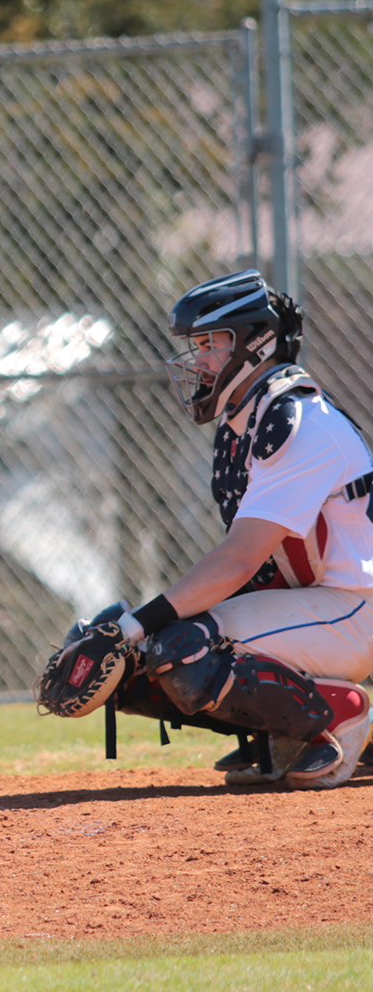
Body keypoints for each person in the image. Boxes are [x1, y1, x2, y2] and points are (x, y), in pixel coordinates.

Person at [42, 269, 372, 789]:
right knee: (140, 657)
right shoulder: (250, 418)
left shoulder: (301, 422)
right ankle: (278, 735)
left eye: (209, 344)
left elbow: (239, 560)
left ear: (256, 344)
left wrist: (136, 627)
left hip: (356, 606)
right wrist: (134, 637)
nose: (198, 360)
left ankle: (341, 715)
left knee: (182, 647)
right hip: (322, 603)